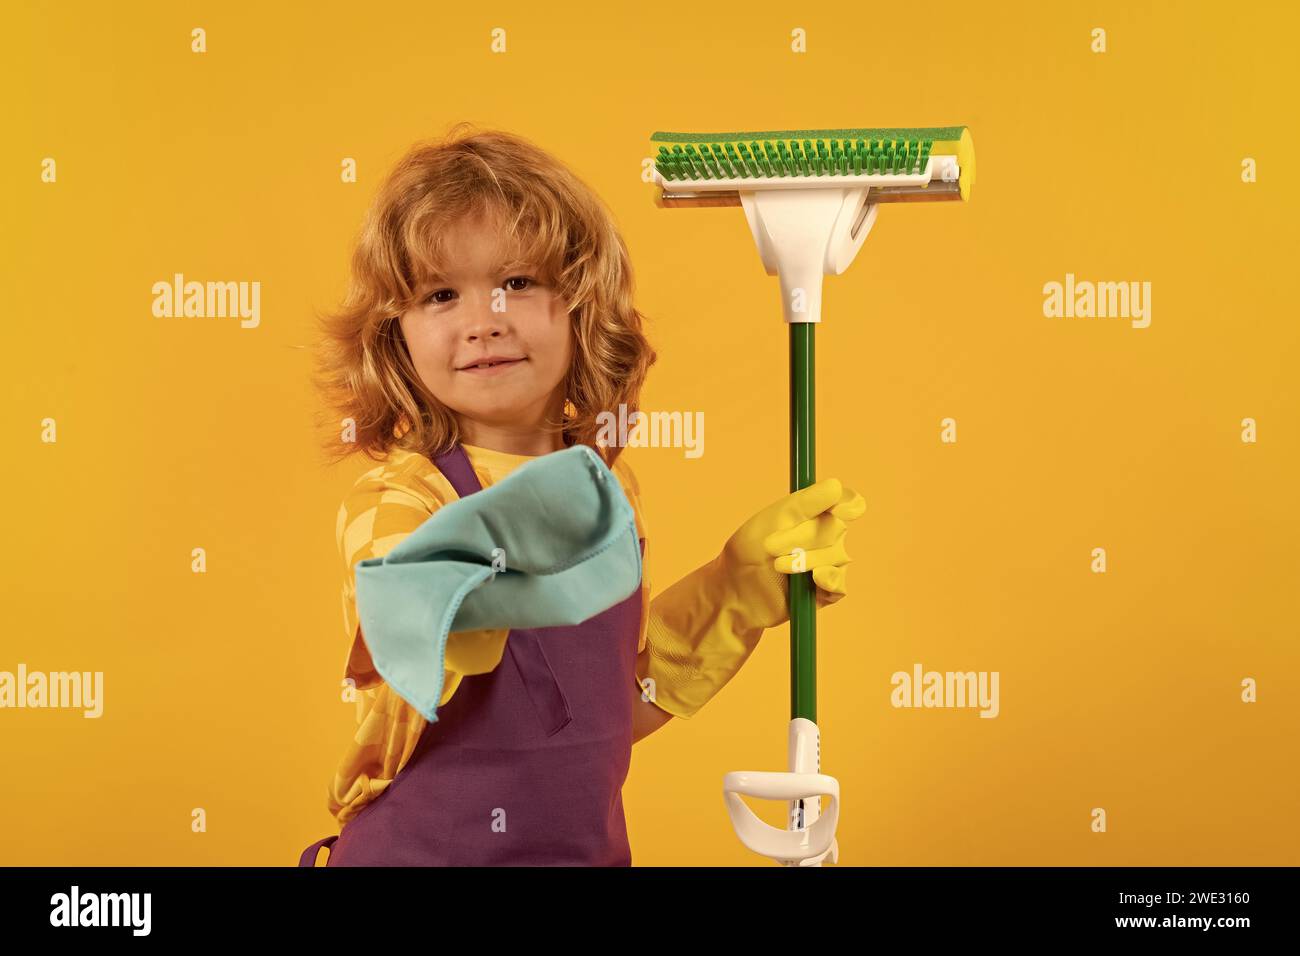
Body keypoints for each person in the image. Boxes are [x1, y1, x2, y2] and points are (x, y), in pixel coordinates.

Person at [300, 124, 863, 866]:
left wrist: (730, 593)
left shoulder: (608, 495)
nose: (483, 320)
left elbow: (603, 716)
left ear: (580, 304)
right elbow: (410, 615)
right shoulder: (401, 495)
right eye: (441, 294)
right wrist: (473, 585)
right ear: (395, 337)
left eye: (518, 283)